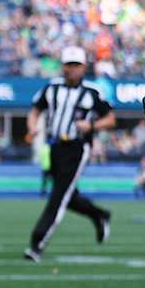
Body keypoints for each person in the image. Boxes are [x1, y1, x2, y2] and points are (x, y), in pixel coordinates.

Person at [23, 47, 114, 262]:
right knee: (67, 196)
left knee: (58, 197)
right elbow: (35, 110)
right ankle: (99, 215)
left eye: (75, 65)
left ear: (83, 67)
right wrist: (32, 127)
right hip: (54, 147)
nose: (71, 69)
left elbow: (110, 119)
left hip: (77, 148)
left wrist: (91, 126)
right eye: (68, 65)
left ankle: (37, 243)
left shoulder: (92, 92)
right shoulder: (52, 88)